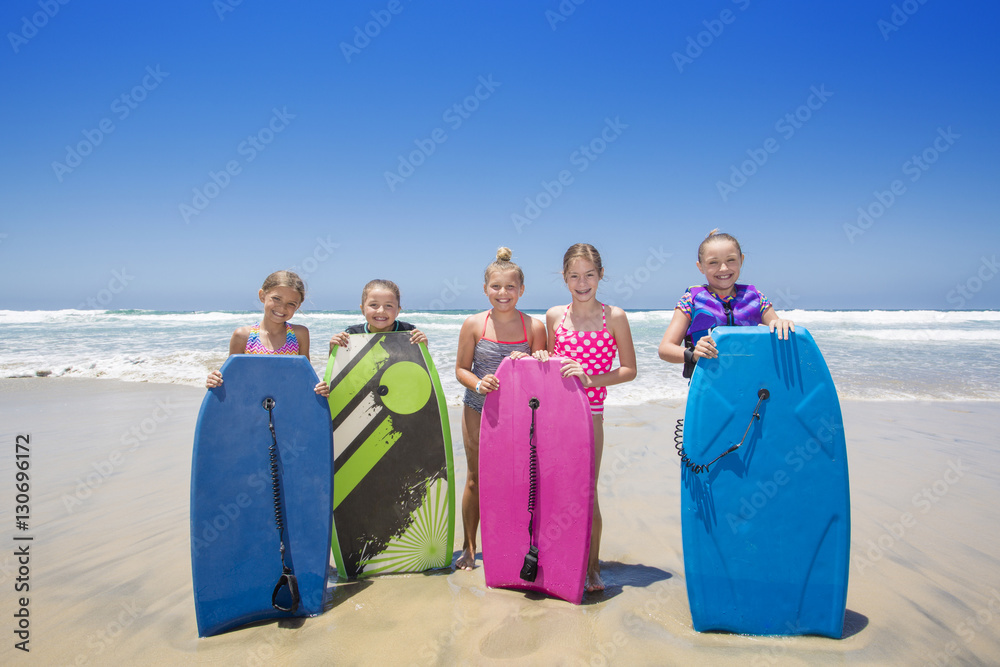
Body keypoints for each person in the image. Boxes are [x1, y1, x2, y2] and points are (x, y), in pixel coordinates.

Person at [535, 243, 637, 593]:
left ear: (601, 275)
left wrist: (592, 379)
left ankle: (592, 568)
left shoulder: (616, 316)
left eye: (589, 275)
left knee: (586, 492)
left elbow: (629, 370)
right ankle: (559, 559)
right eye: (575, 276)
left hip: (590, 414)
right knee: (555, 491)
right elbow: (548, 364)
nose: (582, 282)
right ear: (564, 278)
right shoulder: (553, 316)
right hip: (554, 416)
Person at [454, 247, 547, 571]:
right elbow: (461, 369)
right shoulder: (474, 324)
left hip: (519, 416)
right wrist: (479, 384)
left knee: (517, 480)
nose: (503, 293)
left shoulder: (533, 327)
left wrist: (533, 360)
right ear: (485, 289)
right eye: (496, 287)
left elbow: (541, 377)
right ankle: (469, 547)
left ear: (521, 290)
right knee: (476, 480)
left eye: (510, 287)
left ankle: (511, 542)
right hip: (478, 409)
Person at [658, 230, 794, 377]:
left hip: (755, 383)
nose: (723, 268)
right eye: (713, 262)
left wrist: (781, 324)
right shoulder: (690, 301)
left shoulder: (757, 298)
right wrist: (694, 353)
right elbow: (665, 349)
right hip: (710, 388)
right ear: (701, 266)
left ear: (741, 260)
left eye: (731, 260)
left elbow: (778, 328)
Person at [206, 270, 329, 396]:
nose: (282, 307)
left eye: (291, 304)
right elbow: (231, 378)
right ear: (262, 296)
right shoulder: (243, 336)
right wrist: (215, 380)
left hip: (288, 404)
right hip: (252, 406)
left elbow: (305, 377)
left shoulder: (299, 334)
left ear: (298, 306)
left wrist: (319, 388)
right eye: (276, 298)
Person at [329, 279, 427, 351]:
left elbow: (419, 370)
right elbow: (340, 372)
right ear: (362, 309)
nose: (381, 311)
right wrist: (334, 350)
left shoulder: (408, 333)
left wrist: (424, 347)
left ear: (398, 311)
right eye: (374, 305)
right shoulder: (352, 334)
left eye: (388, 305)